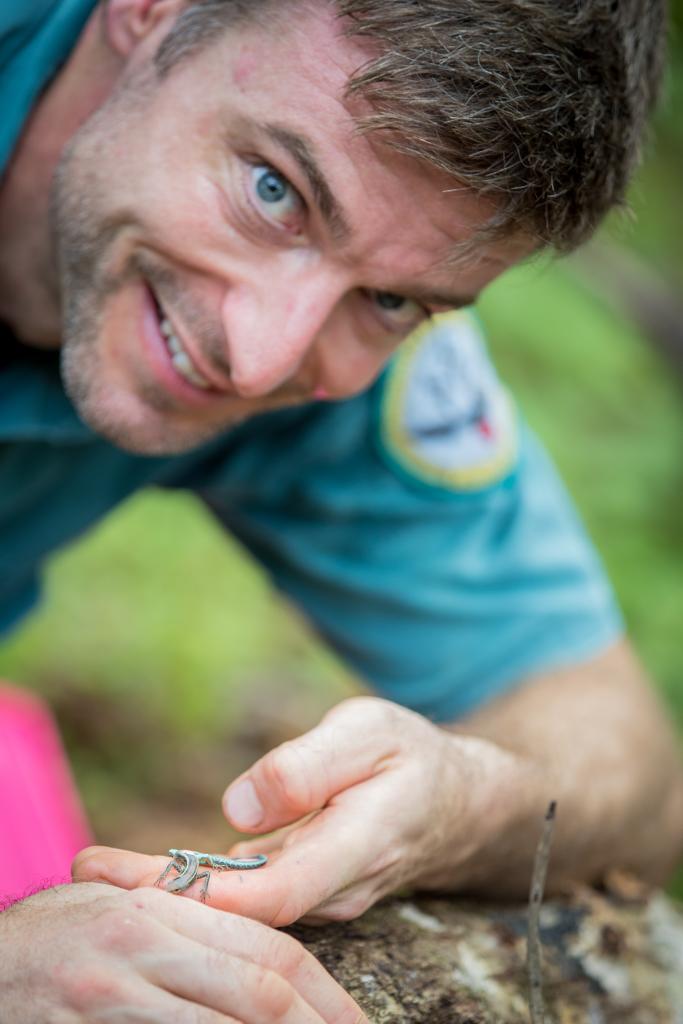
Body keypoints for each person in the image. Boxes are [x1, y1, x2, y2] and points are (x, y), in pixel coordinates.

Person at [1, 0, 681, 1020]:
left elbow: (629, 761)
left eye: (395, 301)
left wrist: (465, 796)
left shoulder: (348, 325)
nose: (261, 355)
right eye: (273, 190)